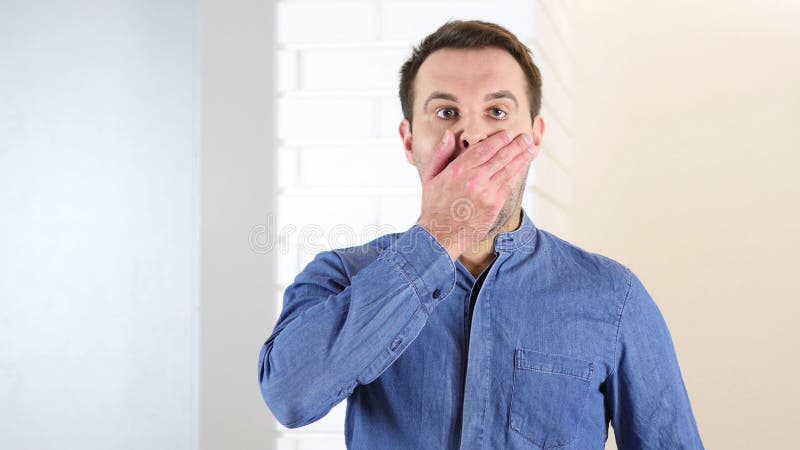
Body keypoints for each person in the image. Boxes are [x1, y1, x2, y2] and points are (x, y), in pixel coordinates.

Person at [257, 20, 704, 449]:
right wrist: (438, 236)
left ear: (535, 135)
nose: (471, 135)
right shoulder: (342, 274)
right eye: (446, 112)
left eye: (497, 111)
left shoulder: (614, 295)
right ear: (409, 141)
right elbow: (291, 396)